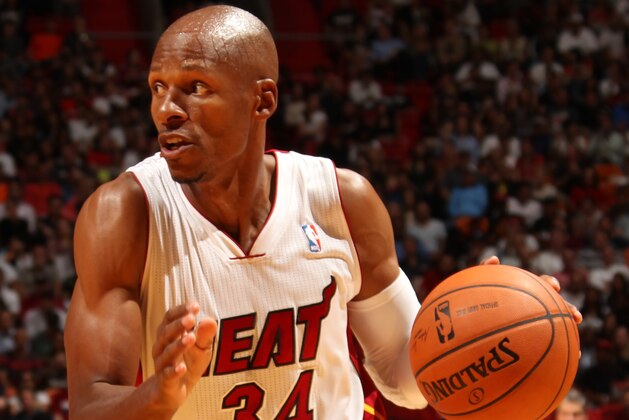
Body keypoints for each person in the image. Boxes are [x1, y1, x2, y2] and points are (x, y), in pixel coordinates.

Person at [63, 5, 581, 419]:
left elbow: (407, 382)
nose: (166, 110)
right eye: (157, 87)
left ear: (263, 100)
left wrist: (493, 323)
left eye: (195, 87)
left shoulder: (342, 201)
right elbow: (90, 406)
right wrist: (158, 395)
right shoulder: (124, 214)